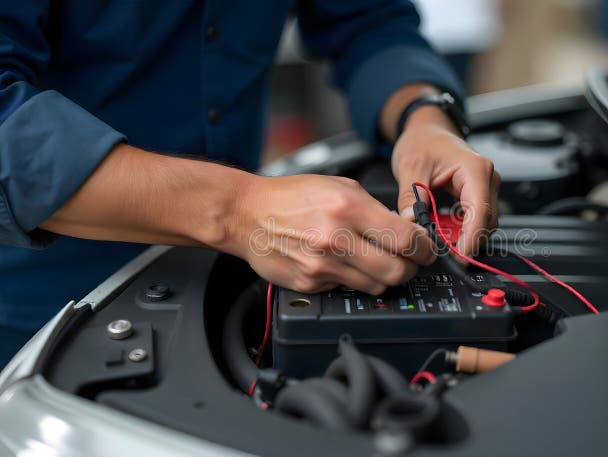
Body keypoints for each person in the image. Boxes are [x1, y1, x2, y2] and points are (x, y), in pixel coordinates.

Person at [0, 1, 500, 366]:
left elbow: (369, 22)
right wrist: (237, 209)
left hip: (228, 281)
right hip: (40, 314)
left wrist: (425, 118)